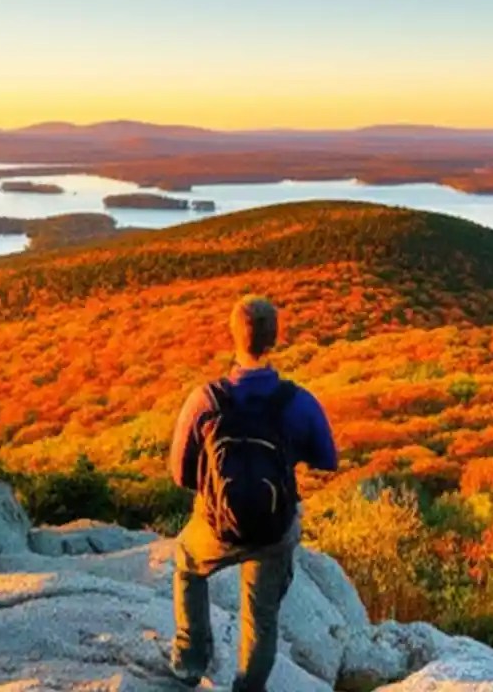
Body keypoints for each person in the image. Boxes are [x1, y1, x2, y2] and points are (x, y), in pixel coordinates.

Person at [168, 295, 338, 690]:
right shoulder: (297, 402)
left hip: (215, 526)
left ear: (233, 337)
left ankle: (191, 660)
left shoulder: (205, 400)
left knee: (187, 565)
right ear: (273, 340)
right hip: (273, 529)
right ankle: (248, 687)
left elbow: (180, 474)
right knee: (260, 616)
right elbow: (328, 459)